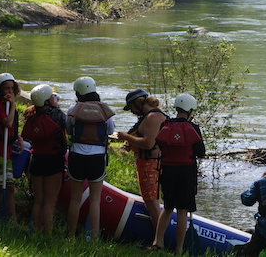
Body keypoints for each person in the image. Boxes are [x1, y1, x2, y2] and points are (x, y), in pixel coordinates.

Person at [146, 93, 205, 255]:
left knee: (167, 207)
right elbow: (200, 152)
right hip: (186, 173)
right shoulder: (194, 128)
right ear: (190, 110)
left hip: (168, 171)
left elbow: (160, 144)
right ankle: (179, 249)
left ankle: (157, 242)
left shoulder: (166, 125)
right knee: (182, 211)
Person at [65, 75, 115, 240]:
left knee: (75, 197)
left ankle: (71, 236)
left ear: (78, 92)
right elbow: (109, 131)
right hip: (97, 157)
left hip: (77, 155)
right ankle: (94, 238)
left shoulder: (73, 110)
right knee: (95, 199)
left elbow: (68, 130)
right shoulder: (104, 110)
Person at [115, 88, 168, 232]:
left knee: (152, 203)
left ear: (138, 103)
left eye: (131, 107)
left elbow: (148, 143)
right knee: (153, 201)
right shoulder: (148, 116)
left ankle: (159, 242)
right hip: (148, 164)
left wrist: (126, 137)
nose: (131, 111)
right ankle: (159, 237)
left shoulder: (152, 117)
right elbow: (144, 140)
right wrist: (131, 143)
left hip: (151, 164)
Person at [22, 84, 67, 235]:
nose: (55, 99)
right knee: (50, 202)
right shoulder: (58, 116)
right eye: (52, 97)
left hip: (36, 161)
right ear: (47, 101)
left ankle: (35, 232)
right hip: (53, 161)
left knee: (39, 201)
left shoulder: (31, 115)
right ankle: (46, 236)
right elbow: (69, 125)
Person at [0, 72, 24, 226]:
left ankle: (13, 220)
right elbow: (7, 122)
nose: (9, 92)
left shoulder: (9, 106)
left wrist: (18, 136)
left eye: (12, 88)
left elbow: (12, 127)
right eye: (6, 89)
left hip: (8, 150)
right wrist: (13, 107)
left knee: (10, 186)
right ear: (0, 90)